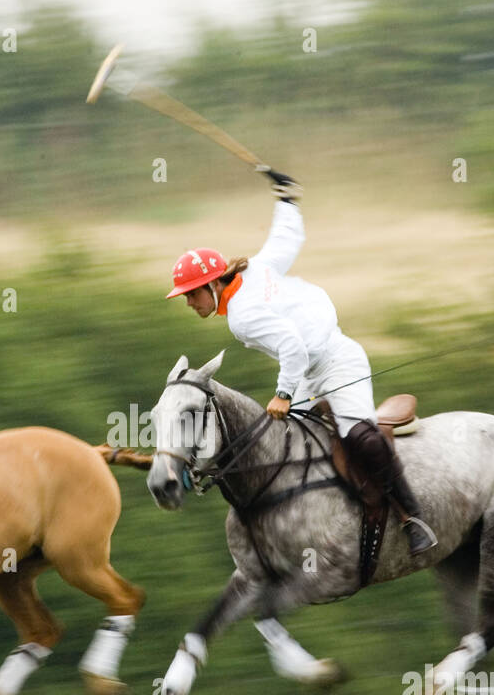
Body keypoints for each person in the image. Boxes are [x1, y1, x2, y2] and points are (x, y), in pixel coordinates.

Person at [164, 172, 438, 556]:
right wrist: (287, 200)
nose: (189, 304)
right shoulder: (252, 270)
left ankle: (413, 516)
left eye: (191, 295)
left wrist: (282, 394)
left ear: (212, 285)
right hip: (310, 371)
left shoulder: (242, 314)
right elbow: (286, 239)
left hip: (338, 361)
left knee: (358, 435)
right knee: (288, 446)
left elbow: (293, 348)